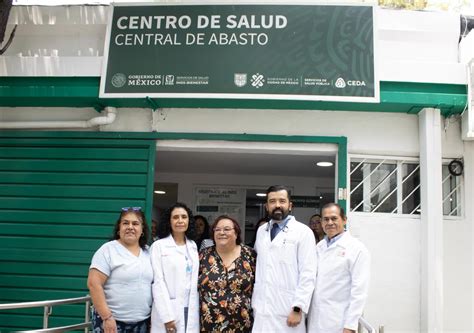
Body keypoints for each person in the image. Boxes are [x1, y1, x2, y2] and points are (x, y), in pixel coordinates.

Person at [252, 185, 316, 333]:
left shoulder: (303, 232)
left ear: (290, 205)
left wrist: (298, 308)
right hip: (262, 310)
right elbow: (259, 267)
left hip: (288, 310)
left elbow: (308, 274)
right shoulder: (262, 231)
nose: (277, 205)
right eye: (272, 201)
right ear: (267, 206)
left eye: (282, 201)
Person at [307, 203, 371, 333]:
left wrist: (350, 325)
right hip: (315, 320)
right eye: (325, 219)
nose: (330, 222)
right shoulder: (319, 247)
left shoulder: (357, 249)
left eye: (334, 218)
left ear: (344, 220)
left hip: (339, 323)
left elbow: (359, 292)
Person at [87, 207, 153, 333]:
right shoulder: (107, 250)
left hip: (142, 324)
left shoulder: (149, 252)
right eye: (125, 223)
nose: (130, 227)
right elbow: (93, 284)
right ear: (119, 228)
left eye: (135, 223)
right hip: (111, 323)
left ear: (142, 229)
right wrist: (107, 317)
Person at [199, 215, 257, 332]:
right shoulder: (203, 256)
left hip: (243, 326)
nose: (221, 232)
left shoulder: (250, 255)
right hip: (209, 325)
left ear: (236, 233)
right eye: (217, 229)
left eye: (226, 229)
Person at [150, 203, 200, 333]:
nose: (180, 221)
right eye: (175, 217)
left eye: (184, 217)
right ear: (169, 221)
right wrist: (167, 317)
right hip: (168, 309)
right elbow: (158, 282)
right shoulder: (159, 246)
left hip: (190, 307)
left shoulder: (192, 245)